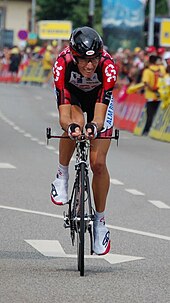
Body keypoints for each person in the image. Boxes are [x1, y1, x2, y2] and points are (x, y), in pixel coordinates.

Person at [51, 26, 118, 255]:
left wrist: (95, 126)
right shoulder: (62, 64)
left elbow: (100, 115)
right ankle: (62, 174)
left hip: (98, 99)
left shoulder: (108, 68)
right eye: (84, 61)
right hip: (74, 97)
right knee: (75, 126)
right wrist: (71, 126)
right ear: (73, 55)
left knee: (98, 163)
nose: (90, 66)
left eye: (94, 60)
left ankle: (100, 223)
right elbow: (63, 116)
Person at [141, 55, 161, 135]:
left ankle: (146, 130)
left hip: (150, 96)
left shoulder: (147, 70)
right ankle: (154, 131)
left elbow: (146, 82)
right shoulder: (161, 69)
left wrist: (152, 89)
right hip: (160, 95)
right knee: (157, 115)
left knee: (150, 114)